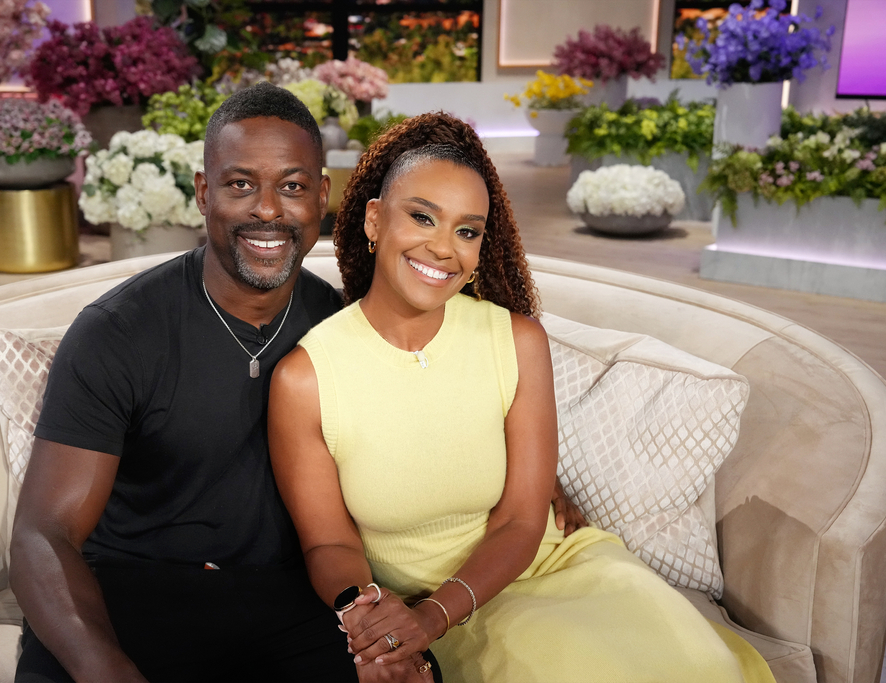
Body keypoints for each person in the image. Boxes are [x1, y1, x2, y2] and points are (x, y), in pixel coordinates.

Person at [267, 113, 777, 683]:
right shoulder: (306, 378)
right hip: (445, 613)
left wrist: (435, 616)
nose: (443, 248)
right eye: (422, 217)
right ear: (374, 219)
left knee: (702, 668)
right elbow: (328, 544)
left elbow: (521, 519)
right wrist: (369, 618)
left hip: (549, 567)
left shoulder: (516, 340)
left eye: (467, 231)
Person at [10, 82, 379, 682]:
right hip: (131, 592)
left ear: (321, 196)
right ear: (204, 193)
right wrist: (106, 669)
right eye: (241, 185)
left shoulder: (341, 324)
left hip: (283, 596)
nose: (268, 209)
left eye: (291, 186)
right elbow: (43, 534)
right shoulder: (118, 332)